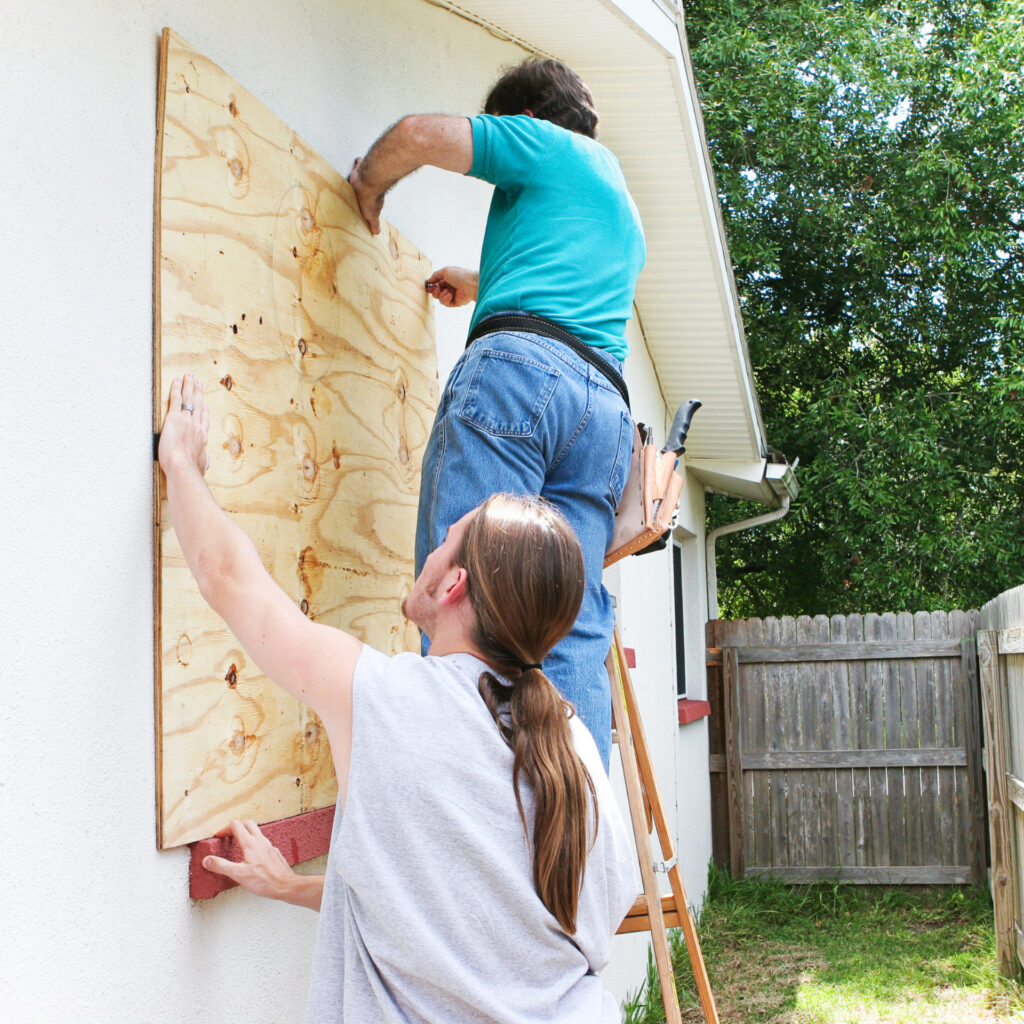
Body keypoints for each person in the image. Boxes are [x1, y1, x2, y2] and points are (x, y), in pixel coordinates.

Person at [158, 374, 637, 1023]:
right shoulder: (572, 744)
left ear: (453, 585)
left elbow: (228, 578)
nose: (432, 549)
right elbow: (462, 917)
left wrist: (180, 463)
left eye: (445, 540)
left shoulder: (385, 700)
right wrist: (290, 886)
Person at [348, 58, 647, 770]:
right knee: (564, 615)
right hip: (603, 414)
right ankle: (567, 840)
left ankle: (464, 813)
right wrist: (481, 284)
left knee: (469, 590)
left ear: (526, 118)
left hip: (521, 382)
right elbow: (566, 293)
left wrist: (368, 184)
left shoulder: (543, 143)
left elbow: (420, 134)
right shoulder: (619, 201)